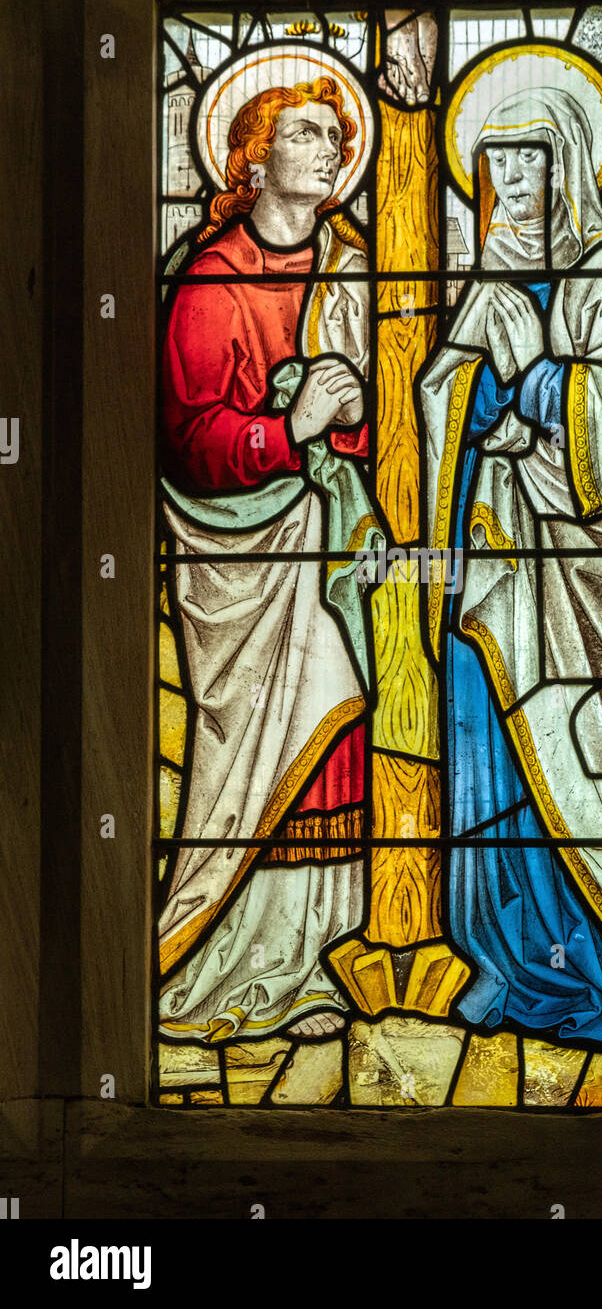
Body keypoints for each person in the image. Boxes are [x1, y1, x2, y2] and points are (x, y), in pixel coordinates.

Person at [419, 81, 602, 1047]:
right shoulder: (487, 279)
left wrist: (542, 379)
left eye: (530, 158)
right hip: (497, 571)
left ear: (571, 167)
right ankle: (508, 960)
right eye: (496, 160)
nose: (511, 180)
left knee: (574, 750)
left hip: (582, 578)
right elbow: (442, 400)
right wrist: (477, 390)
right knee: (486, 756)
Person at [157, 74, 384, 1044]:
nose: (329, 148)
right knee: (249, 757)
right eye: (306, 132)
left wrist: (355, 421)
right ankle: (229, 956)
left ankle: (317, 954)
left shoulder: (359, 263)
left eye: (337, 135)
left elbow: (388, 415)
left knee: (333, 742)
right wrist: (291, 427)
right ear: (251, 158)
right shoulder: (212, 280)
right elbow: (187, 437)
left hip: (331, 545)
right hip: (241, 560)